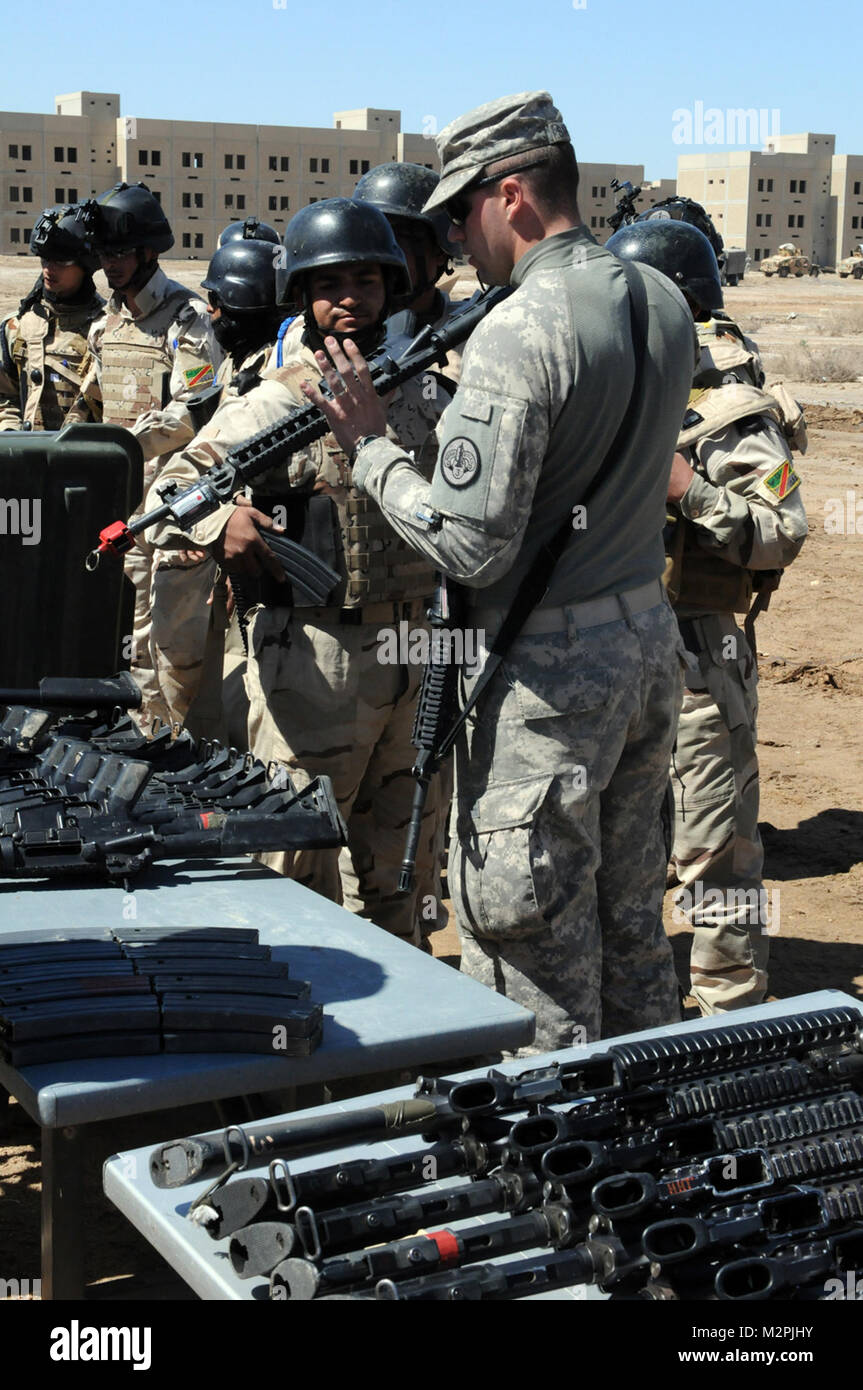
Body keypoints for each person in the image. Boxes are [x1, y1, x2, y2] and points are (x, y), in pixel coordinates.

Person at [303, 91, 697, 1048]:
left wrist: (370, 448)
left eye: (455, 214)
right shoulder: (659, 296)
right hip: (643, 645)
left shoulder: (518, 329)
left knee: (529, 946)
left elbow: (469, 541)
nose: (447, 239)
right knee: (629, 923)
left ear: (509, 195)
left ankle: (557, 1171)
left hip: (548, 680)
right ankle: (654, 1151)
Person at [145, 198, 448, 944]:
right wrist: (221, 522)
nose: (351, 297)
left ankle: (402, 1047)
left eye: (368, 281)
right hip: (314, 664)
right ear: (302, 297)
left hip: (421, 658)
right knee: (291, 876)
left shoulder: (429, 393)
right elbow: (165, 493)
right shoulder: (279, 399)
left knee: (403, 875)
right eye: (330, 283)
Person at [606, 219, 808, 1014]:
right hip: (616, 646)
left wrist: (685, 489)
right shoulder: (619, 391)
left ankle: (731, 1013)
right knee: (628, 843)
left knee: (716, 852)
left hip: (699, 651)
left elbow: (780, 535)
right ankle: (643, 1005)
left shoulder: (729, 413)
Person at [66, 182, 221, 729]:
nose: (108, 264)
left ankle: (162, 746)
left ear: (148, 252)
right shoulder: (107, 322)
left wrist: (121, 449)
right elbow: (90, 402)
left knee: (155, 645)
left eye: (119, 253)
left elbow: (193, 411)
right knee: (113, 635)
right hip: (110, 505)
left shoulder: (186, 320)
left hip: (162, 510)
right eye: (103, 254)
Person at [150, 231, 293, 737]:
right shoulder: (228, 362)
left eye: (220, 305)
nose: (211, 316)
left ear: (250, 306)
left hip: (248, 572)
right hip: (200, 553)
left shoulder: (280, 378)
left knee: (241, 702)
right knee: (189, 685)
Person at [354, 162, 462, 383]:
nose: (381, 258)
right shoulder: (320, 332)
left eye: (397, 240)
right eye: (370, 242)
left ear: (439, 251)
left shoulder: (475, 336)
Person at [0, 207, 103, 432]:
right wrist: (11, 434)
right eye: (45, 259)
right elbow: (5, 397)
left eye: (61, 262)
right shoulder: (16, 326)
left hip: (85, 460)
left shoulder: (106, 329)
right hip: (27, 459)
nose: (49, 269)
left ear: (85, 266)